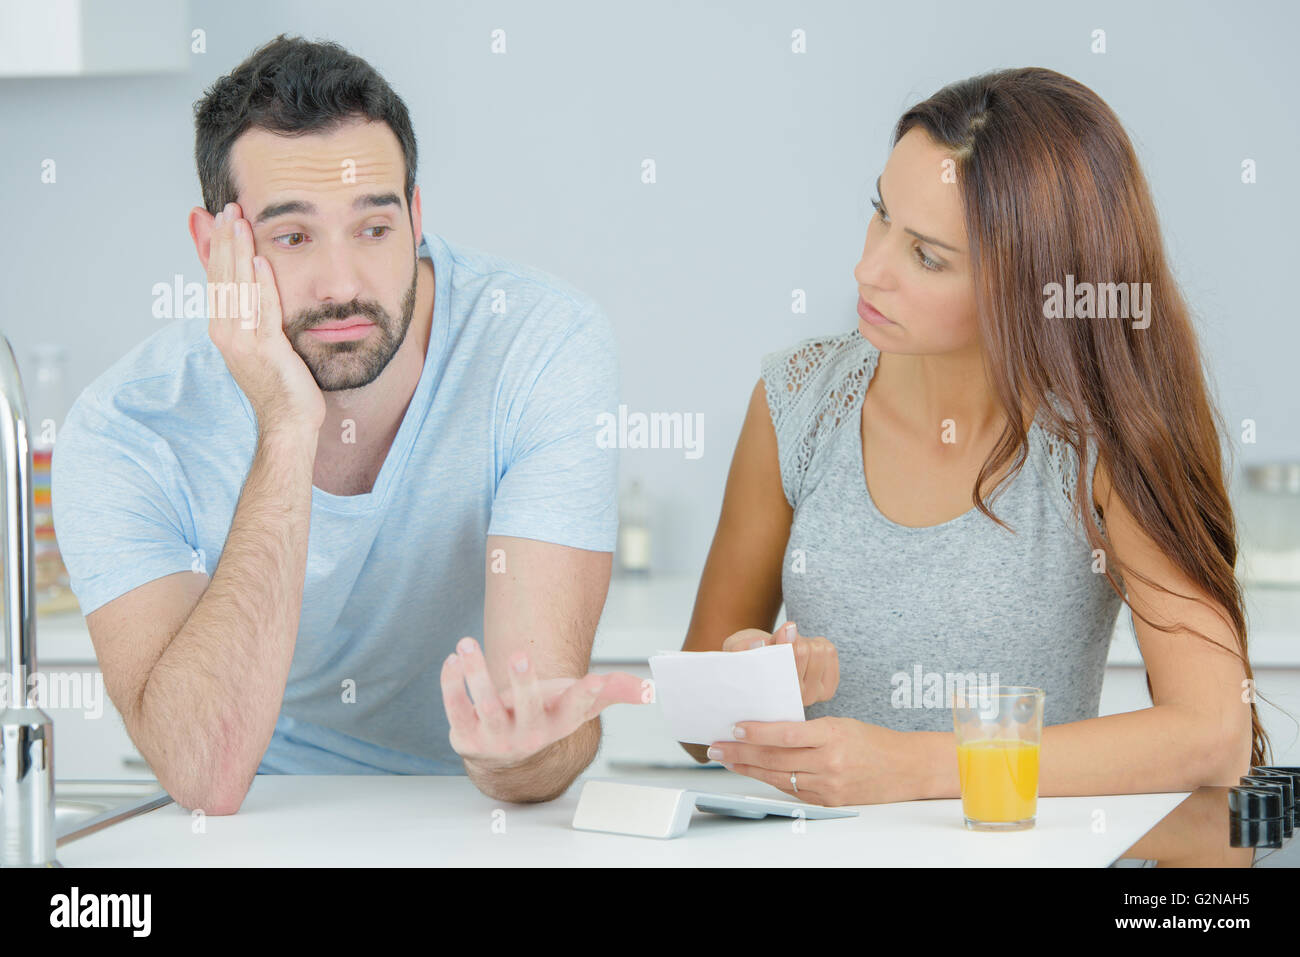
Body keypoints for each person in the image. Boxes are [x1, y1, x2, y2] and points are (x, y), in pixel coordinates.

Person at [51, 35, 642, 815]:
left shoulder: (539, 343)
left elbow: (533, 730)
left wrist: (516, 757)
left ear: (416, 216)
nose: (343, 284)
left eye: (374, 228)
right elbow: (205, 772)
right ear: (214, 247)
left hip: (479, 809)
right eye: (292, 236)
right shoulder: (125, 430)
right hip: (262, 813)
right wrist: (286, 423)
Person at [682, 67, 1274, 807]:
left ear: (1028, 285)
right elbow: (695, 728)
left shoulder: (1102, 440)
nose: (868, 268)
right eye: (880, 214)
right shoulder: (795, 403)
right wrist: (745, 680)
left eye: (927, 256)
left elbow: (1213, 733)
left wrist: (916, 768)